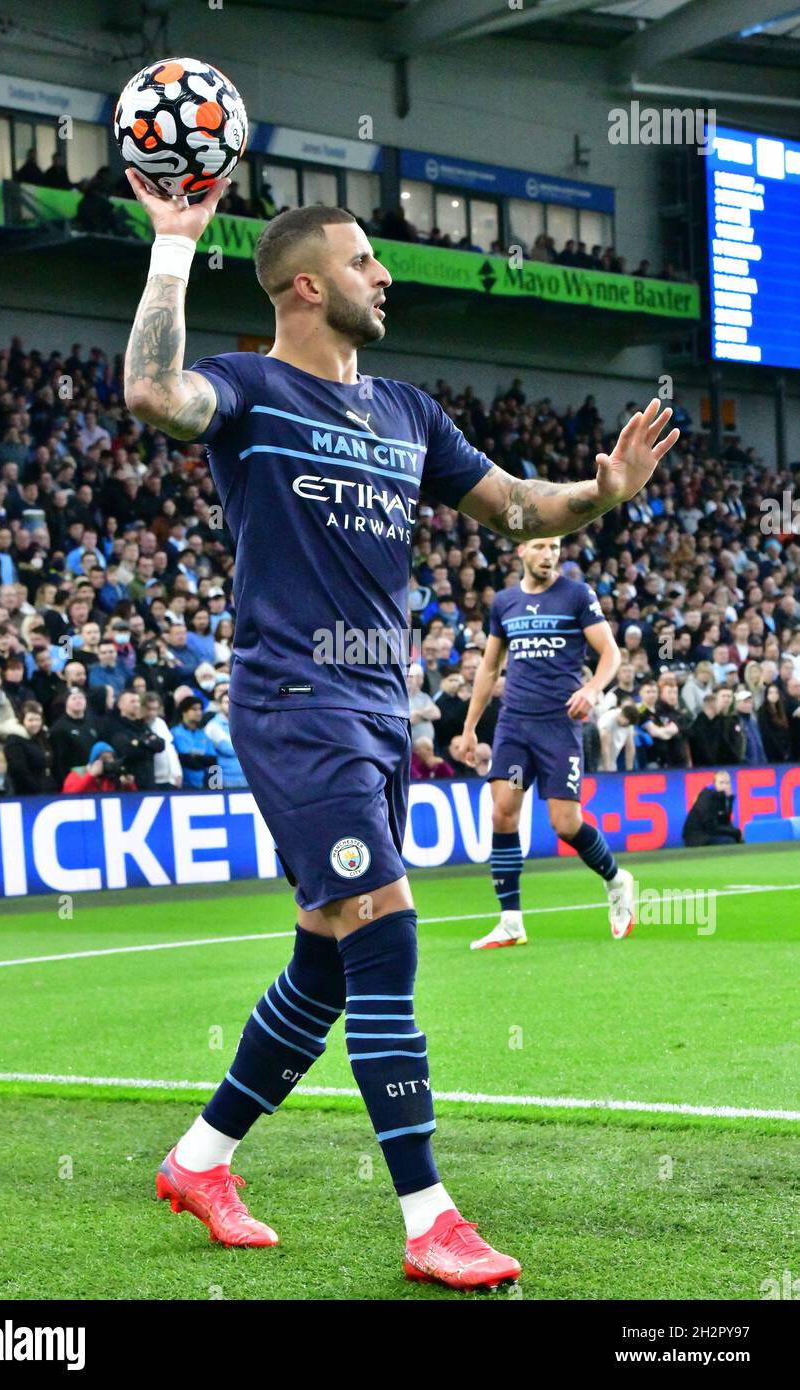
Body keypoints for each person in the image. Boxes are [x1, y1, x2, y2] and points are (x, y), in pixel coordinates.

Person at [122, 167, 678, 1290]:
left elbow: (517, 508)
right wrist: (174, 242)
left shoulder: (406, 413)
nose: (386, 272)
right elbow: (150, 394)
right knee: (387, 935)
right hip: (294, 704)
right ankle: (428, 1217)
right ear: (308, 286)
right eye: (366, 259)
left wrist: (604, 490)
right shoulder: (251, 390)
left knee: (325, 963)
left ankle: (199, 1159)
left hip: (383, 712)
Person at [461, 536, 634, 949]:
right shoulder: (504, 602)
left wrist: (592, 689)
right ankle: (511, 921)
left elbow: (611, 654)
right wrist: (469, 727)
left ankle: (616, 880)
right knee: (503, 813)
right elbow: (489, 668)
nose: (549, 555)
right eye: (540, 546)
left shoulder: (576, 594)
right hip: (515, 725)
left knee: (565, 824)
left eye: (555, 548)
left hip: (558, 725)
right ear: (520, 550)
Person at [682, 770, 743, 847]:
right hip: (697, 837)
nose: (724, 786)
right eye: (721, 783)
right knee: (729, 841)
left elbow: (725, 822)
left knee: (735, 838)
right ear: (715, 784)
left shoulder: (723, 799)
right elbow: (711, 827)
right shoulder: (706, 797)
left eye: (727, 783)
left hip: (708, 834)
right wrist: (736, 832)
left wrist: (730, 800)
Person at [62, 741, 135, 793]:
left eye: (111, 758)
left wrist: (129, 785)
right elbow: (69, 796)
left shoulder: (112, 777)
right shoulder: (78, 774)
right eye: (104, 758)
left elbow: (132, 801)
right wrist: (90, 776)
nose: (108, 762)